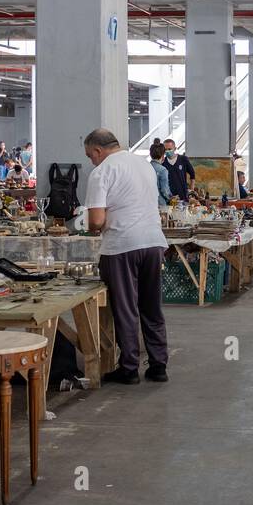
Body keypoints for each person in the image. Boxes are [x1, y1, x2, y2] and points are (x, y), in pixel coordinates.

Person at [82, 129, 169, 384]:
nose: (91, 161)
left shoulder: (102, 172)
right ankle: (158, 365)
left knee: (126, 308)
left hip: (121, 246)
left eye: (90, 155)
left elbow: (96, 221)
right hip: (153, 242)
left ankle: (129, 367)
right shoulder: (144, 165)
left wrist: (88, 225)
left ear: (98, 150)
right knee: (152, 307)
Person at [148, 142, 173, 208]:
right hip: (160, 204)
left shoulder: (146, 167)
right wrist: (171, 198)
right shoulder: (162, 170)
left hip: (147, 203)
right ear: (162, 155)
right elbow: (165, 190)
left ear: (150, 154)